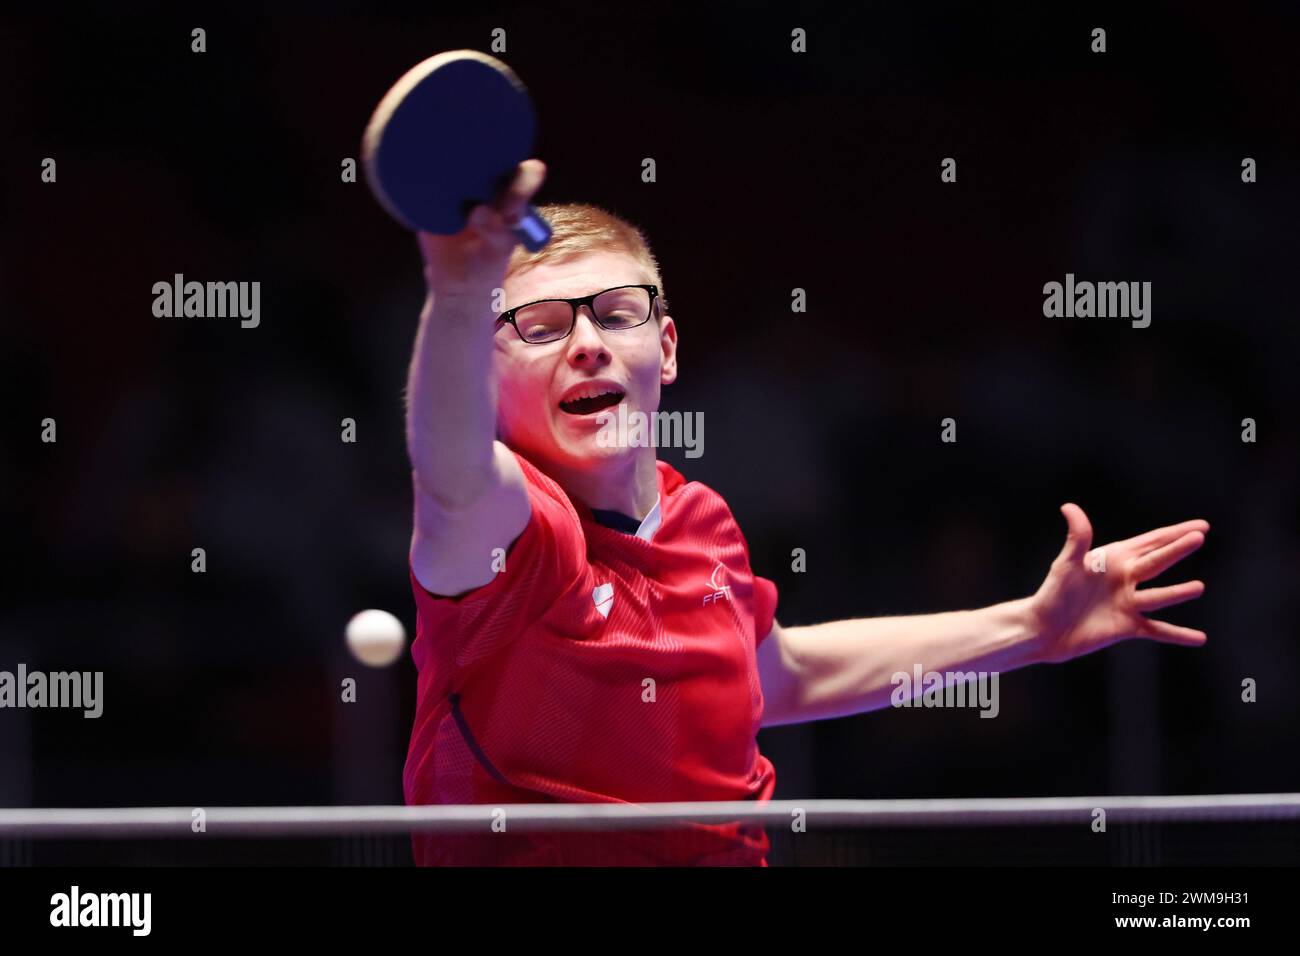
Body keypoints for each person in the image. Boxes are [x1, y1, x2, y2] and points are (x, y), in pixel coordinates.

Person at [401, 160, 1211, 865]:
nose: (586, 342)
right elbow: (449, 462)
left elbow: (780, 675)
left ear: (669, 349)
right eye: (539, 327)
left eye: (617, 314)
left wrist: (1031, 630)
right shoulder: (507, 536)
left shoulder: (701, 522)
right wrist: (457, 293)